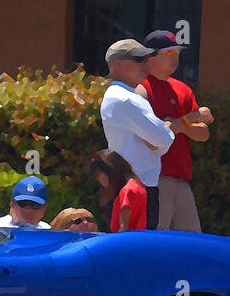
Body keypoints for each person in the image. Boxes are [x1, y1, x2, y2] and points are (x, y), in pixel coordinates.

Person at [138, 29, 213, 232]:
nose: (176, 58)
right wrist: (191, 119)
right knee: (157, 242)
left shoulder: (183, 89)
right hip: (155, 179)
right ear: (150, 56)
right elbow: (154, 138)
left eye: (177, 53)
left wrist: (177, 125)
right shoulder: (141, 89)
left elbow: (204, 134)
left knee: (192, 242)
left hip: (181, 180)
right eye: (169, 53)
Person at [99, 39, 175, 229]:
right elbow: (164, 138)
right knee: (137, 253)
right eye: (137, 58)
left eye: (145, 58)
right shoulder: (126, 99)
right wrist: (164, 132)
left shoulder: (119, 96)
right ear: (117, 64)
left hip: (129, 187)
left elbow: (159, 139)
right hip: (136, 191)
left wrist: (159, 136)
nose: (144, 64)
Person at [91, 148, 146, 233]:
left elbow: (123, 229)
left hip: (130, 242)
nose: (98, 178)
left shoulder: (128, 191)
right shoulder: (135, 186)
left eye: (99, 173)